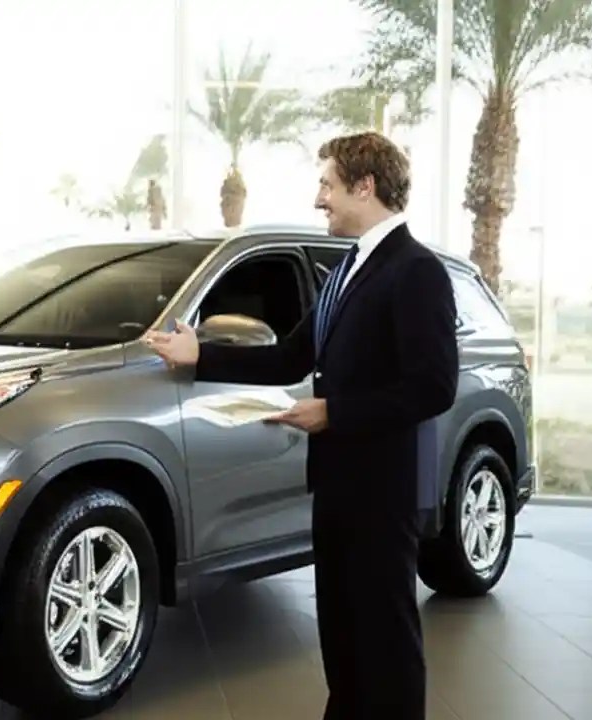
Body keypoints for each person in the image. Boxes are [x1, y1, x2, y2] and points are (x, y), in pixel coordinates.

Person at [145, 131, 458, 720]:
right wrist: (201, 357)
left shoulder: (417, 272)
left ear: (365, 186)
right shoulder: (348, 270)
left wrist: (334, 412)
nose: (319, 200)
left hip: (381, 494)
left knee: (386, 643)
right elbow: (291, 357)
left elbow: (432, 386)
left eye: (327, 185)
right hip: (335, 486)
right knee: (341, 639)